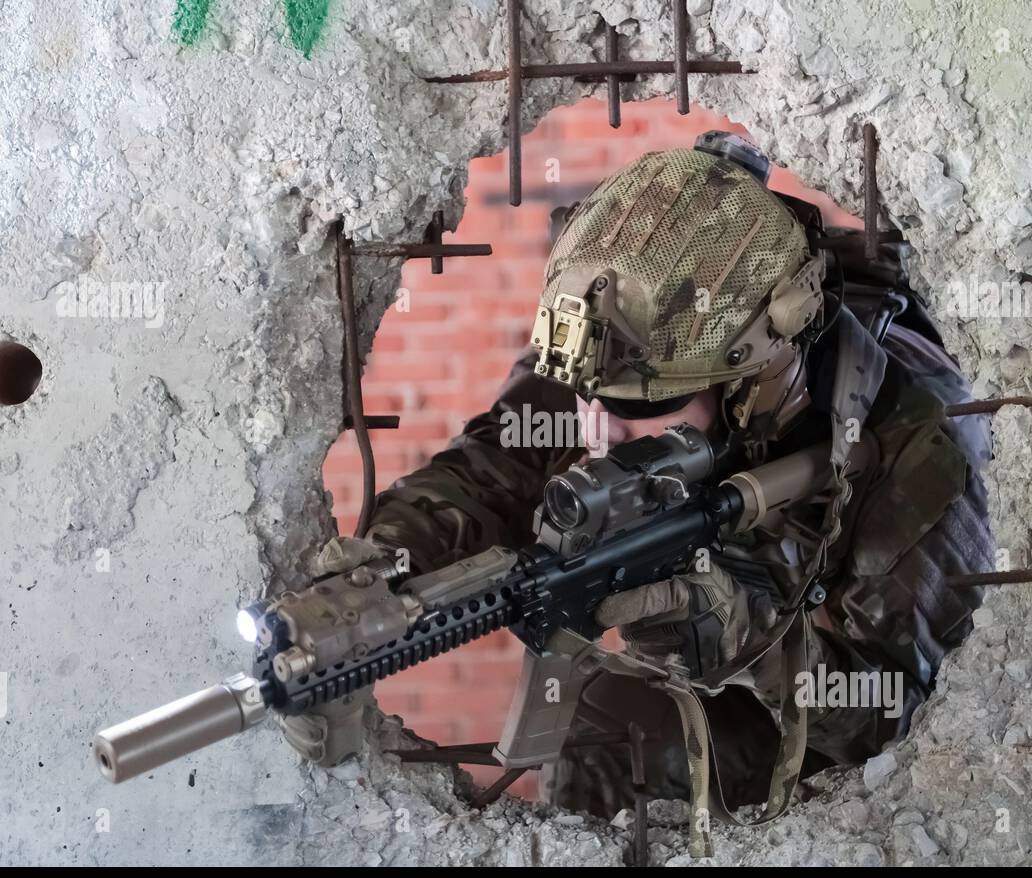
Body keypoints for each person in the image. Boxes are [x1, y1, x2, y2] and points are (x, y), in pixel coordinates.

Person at [287, 132, 994, 824]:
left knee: (624, 724)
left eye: (642, 412)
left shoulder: (915, 434)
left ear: (754, 383)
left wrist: (748, 645)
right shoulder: (609, 351)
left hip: (811, 727)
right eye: (588, 400)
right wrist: (380, 573)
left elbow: (894, 713)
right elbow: (487, 475)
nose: (597, 429)